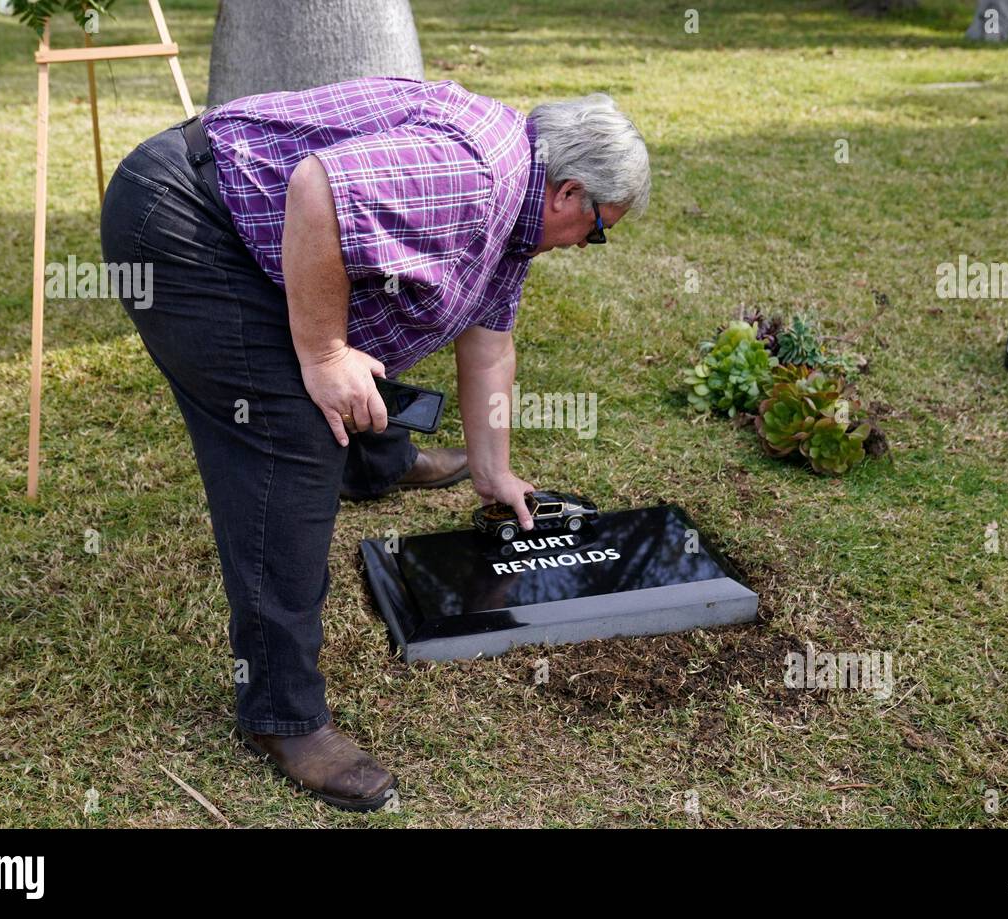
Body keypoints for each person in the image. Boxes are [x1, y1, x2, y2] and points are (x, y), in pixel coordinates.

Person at [100, 77, 650, 811]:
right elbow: (316, 191)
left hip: (250, 227)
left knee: (354, 326)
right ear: (568, 193)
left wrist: (495, 471)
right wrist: (324, 353)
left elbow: (489, 340)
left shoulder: (516, 212)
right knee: (288, 436)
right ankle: (281, 714)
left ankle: (378, 462)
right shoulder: (476, 179)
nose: (590, 245)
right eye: (600, 228)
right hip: (187, 224)